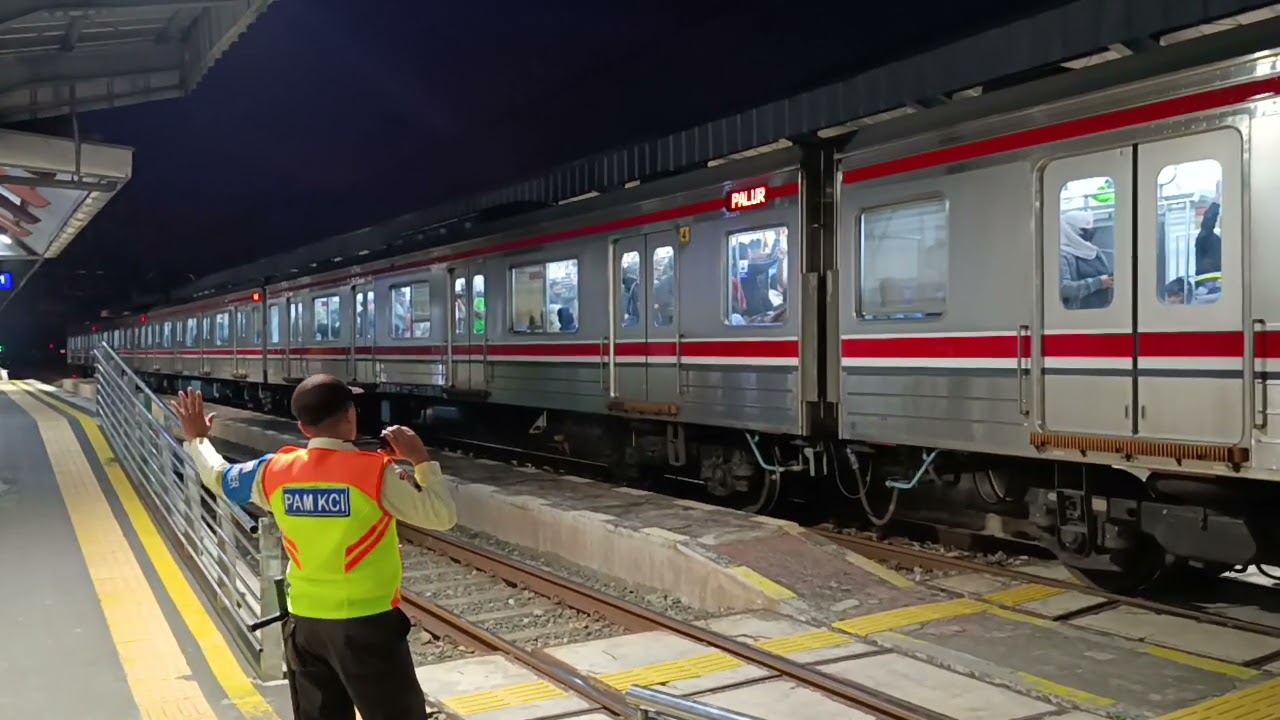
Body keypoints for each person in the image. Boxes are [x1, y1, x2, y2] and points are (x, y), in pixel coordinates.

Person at [172, 374, 457, 720]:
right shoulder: (375, 474)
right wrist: (420, 460)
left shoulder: (274, 471)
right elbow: (441, 515)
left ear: (304, 427)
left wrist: (197, 439)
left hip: (305, 628)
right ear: (350, 416)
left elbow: (218, 476)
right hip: (366, 628)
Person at [1059, 210, 1114, 310]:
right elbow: (1064, 289)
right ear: (1070, 231)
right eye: (1085, 230)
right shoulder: (1062, 255)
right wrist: (1098, 283)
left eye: (1091, 229)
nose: (1089, 233)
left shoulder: (1095, 251)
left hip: (1104, 311)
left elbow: (1106, 276)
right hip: (1077, 316)